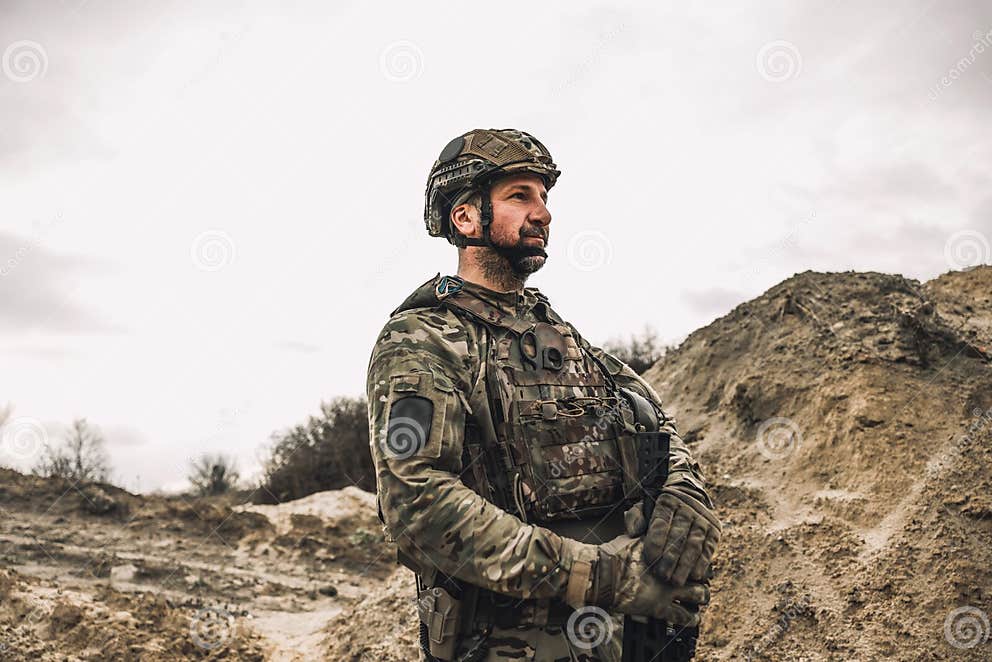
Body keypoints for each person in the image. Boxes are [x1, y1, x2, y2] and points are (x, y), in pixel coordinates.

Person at [366, 129, 721, 661]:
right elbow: (415, 504)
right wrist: (602, 576)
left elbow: (654, 419)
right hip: (505, 642)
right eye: (520, 196)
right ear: (466, 218)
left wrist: (686, 493)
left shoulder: (559, 335)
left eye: (545, 196)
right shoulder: (423, 339)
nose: (544, 213)